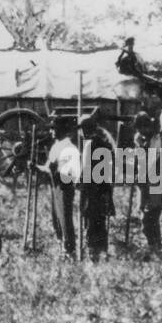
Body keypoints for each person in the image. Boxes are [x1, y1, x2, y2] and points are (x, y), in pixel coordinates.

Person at [78, 110, 116, 263]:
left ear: (84, 130)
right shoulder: (105, 143)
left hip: (91, 190)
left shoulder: (89, 145)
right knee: (100, 223)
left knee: (91, 222)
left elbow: (86, 170)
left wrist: (79, 183)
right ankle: (103, 252)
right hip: (104, 189)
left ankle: (93, 256)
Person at [132, 111, 162, 257]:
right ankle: (153, 246)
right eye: (139, 128)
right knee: (145, 216)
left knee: (151, 217)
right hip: (143, 185)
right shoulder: (138, 139)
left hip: (156, 182)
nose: (142, 131)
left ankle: (156, 248)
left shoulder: (157, 139)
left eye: (144, 127)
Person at [45, 119, 80, 259]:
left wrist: (56, 170)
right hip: (55, 186)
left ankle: (70, 249)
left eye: (55, 129)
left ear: (62, 129)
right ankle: (61, 245)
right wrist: (36, 167)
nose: (51, 131)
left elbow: (71, 171)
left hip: (65, 186)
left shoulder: (69, 147)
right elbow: (48, 166)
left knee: (65, 218)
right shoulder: (55, 146)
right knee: (56, 217)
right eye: (51, 129)